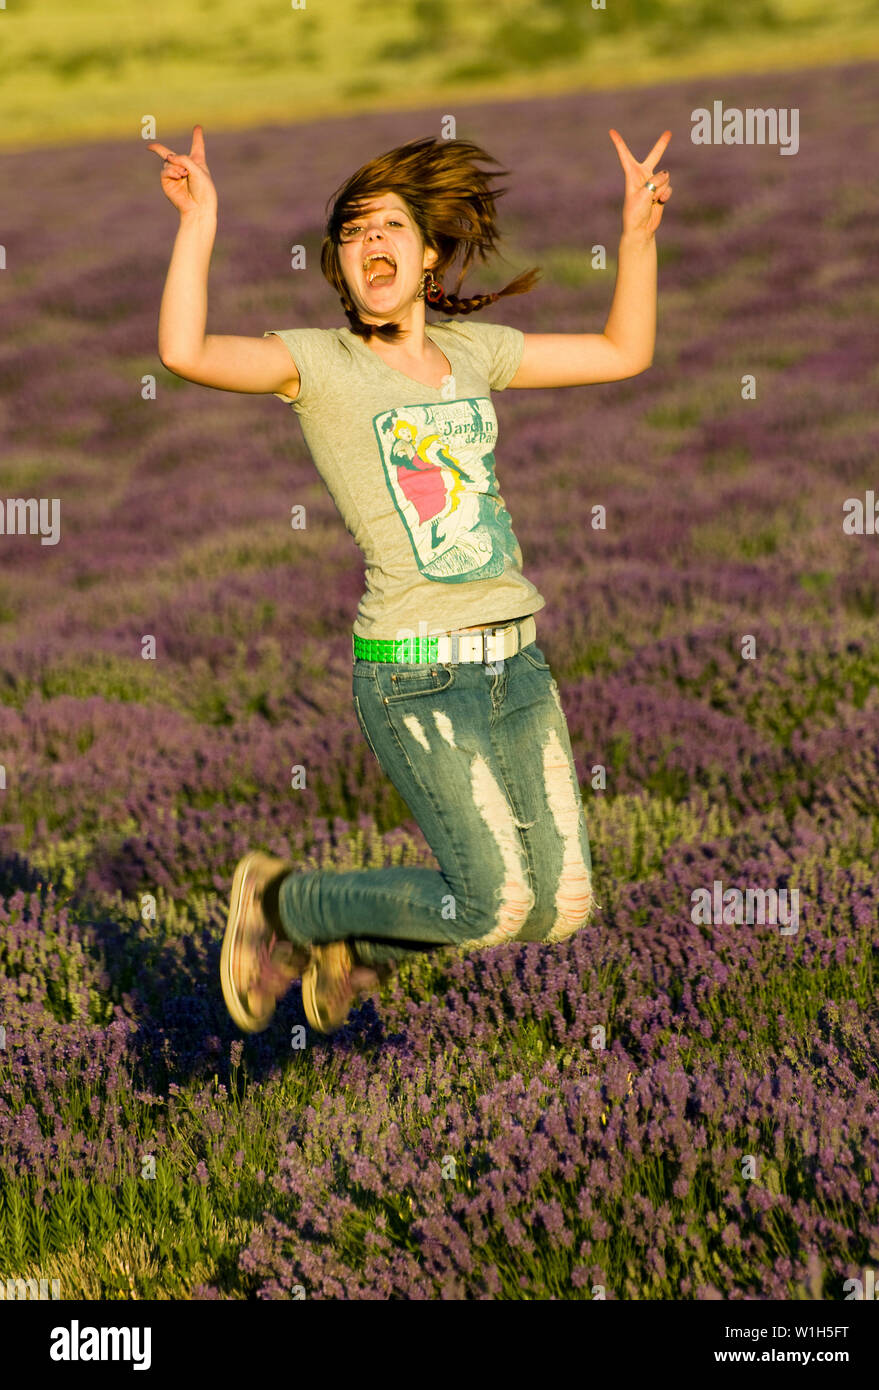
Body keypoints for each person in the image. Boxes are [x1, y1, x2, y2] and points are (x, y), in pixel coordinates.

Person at [147, 124, 673, 1036]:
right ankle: (286, 905)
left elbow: (621, 351)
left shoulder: (474, 354)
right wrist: (199, 222)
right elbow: (184, 353)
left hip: (518, 666)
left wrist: (635, 236)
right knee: (493, 905)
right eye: (352, 233)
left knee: (561, 911)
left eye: (388, 226)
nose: (370, 243)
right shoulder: (317, 364)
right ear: (340, 267)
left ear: (427, 254)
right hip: (416, 672)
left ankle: (350, 942)